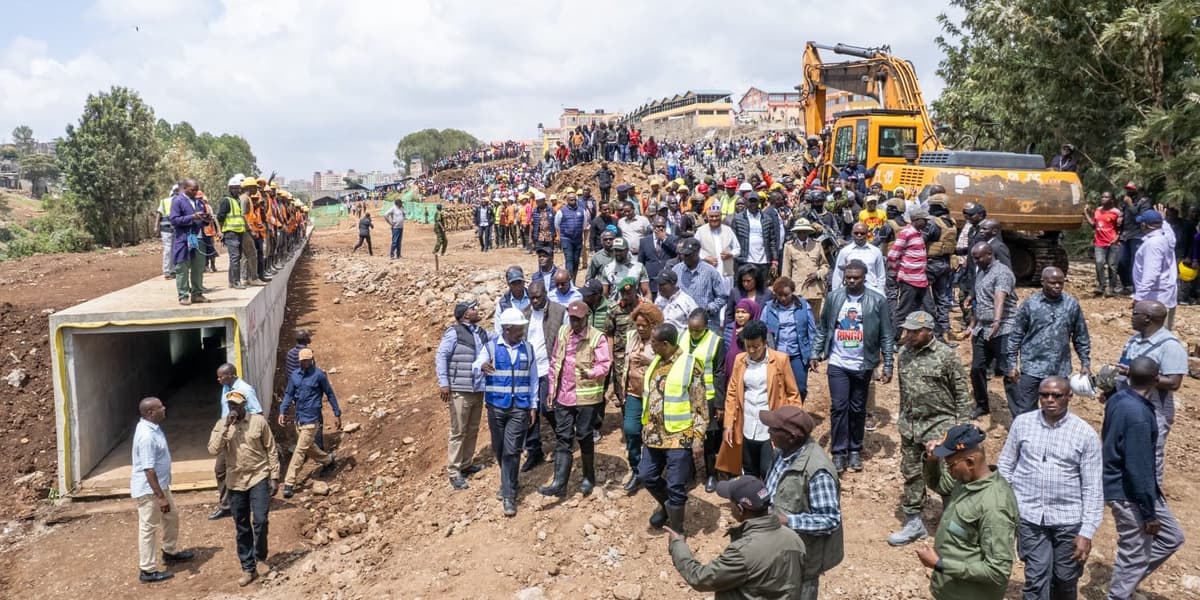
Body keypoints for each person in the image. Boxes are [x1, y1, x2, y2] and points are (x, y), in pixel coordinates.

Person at [998, 376, 1102, 600]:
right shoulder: (1023, 423)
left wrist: (1087, 532)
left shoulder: (1085, 434)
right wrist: (1005, 502)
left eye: (1056, 395)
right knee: (1036, 578)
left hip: (1068, 519)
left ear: (1069, 397)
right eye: (1044, 395)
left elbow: (1093, 487)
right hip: (1029, 515)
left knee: (1065, 579)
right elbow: (1006, 464)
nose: (1049, 400)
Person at [1102, 356, 1186, 599]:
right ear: (1155, 379)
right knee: (1135, 552)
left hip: (1131, 489)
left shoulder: (1120, 398)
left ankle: (1124, 583)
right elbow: (1137, 467)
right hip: (1130, 493)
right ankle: (1119, 594)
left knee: (1171, 537)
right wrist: (1149, 514)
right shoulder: (1138, 415)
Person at [888, 311, 973, 547]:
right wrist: (903, 420)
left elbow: (961, 393)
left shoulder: (946, 356)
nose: (910, 335)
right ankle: (914, 523)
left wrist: (962, 428)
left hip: (940, 427)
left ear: (929, 331)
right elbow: (905, 392)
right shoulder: (903, 354)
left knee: (948, 477)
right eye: (908, 330)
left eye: (916, 331)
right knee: (912, 474)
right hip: (911, 426)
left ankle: (952, 527)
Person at [917, 424, 1019, 600]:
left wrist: (940, 564)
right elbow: (939, 485)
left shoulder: (995, 505)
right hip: (950, 590)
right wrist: (933, 461)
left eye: (950, 465)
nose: (949, 470)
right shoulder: (966, 481)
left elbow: (997, 571)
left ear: (970, 462)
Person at [810, 260, 894, 472]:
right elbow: (823, 327)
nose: (851, 281)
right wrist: (815, 352)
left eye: (856, 277)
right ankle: (839, 452)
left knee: (858, 408)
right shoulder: (834, 297)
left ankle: (854, 449)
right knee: (839, 408)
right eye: (848, 277)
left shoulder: (877, 300)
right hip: (838, 361)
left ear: (865, 277)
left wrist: (888, 365)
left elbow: (886, 333)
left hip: (863, 363)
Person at [667, 476, 806, 599]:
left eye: (730, 501)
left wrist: (678, 545)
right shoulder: (794, 538)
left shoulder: (743, 552)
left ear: (739, 509)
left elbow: (700, 578)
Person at [760, 407, 844, 599]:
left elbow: (830, 520)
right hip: (777, 552)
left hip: (801, 560)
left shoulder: (817, 470)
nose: (768, 432)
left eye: (773, 429)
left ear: (791, 436)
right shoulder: (780, 454)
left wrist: (786, 520)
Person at [638, 323, 707, 532]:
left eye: (654, 343)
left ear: (666, 344)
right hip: (654, 434)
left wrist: (698, 437)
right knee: (646, 475)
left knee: (676, 484)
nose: (651, 347)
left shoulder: (690, 365)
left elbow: (700, 405)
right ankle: (668, 508)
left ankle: (677, 532)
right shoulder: (656, 363)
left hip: (680, 434)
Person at [539, 300, 611, 498]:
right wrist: (552, 391)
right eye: (572, 319)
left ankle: (589, 477)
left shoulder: (597, 338)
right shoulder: (564, 332)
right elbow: (555, 361)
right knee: (563, 437)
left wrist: (591, 372)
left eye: (579, 320)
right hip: (564, 395)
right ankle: (559, 483)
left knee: (584, 434)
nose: (575, 324)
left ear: (586, 318)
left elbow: (605, 365)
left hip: (587, 398)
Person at [207, 390, 279, 586]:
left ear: (244, 405)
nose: (233, 409)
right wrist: (226, 428)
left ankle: (260, 557)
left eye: (236, 405)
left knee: (261, 520)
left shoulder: (258, 422)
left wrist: (275, 477)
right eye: (230, 405)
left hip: (258, 476)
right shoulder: (222, 425)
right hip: (236, 481)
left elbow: (271, 449)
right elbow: (213, 449)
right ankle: (248, 568)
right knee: (242, 526)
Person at [717, 319, 803, 478]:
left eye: (755, 346)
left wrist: (792, 425)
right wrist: (728, 424)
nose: (751, 350)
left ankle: (769, 501)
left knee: (768, 470)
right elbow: (732, 393)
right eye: (747, 346)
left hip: (770, 427)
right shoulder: (740, 360)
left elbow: (793, 394)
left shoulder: (780, 360)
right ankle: (753, 501)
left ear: (765, 342)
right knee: (748, 469)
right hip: (746, 423)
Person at [474, 308, 539, 517]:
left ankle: (509, 495)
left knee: (512, 450)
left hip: (519, 407)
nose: (522, 331)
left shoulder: (528, 349)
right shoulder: (491, 347)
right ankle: (510, 480)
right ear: (507, 329)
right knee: (499, 448)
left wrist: (533, 405)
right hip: (496, 407)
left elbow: (533, 379)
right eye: (518, 328)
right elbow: (476, 365)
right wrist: (482, 366)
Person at [1116, 300, 1187, 485]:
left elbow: (1173, 382)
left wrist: (1135, 374)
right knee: (1124, 450)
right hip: (1127, 405)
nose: (1131, 317)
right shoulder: (1134, 340)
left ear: (1147, 318)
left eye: (1135, 313)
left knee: (1148, 454)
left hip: (1153, 410)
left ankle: (1151, 499)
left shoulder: (1169, 346)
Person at [1005, 267, 1092, 417]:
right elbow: (1015, 335)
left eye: (1061, 283)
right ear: (1042, 282)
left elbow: (1081, 336)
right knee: (1025, 411)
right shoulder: (1030, 305)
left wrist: (1085, 363)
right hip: (1032, 368)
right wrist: (1012, 364)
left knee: (1057, 411)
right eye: (1052, 283)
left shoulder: (1071, 305)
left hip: (1059, 369)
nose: (1057, 286)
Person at [131, 396, 194, 583]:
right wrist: (160, 497)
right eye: (160, 407)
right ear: (150, 412)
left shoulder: (152, 427)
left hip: (161, 486)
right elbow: (149, 470)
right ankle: (147, 570)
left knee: (171, 516)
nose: (164, 408)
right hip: (150, 490)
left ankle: (170, 551)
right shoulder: (146, 436)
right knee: (148, 528)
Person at [436, 300, 489, 490]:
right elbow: (441, 355)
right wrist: (444, 383)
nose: (477, 310)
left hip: (477, 387)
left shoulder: (481, 332)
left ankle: (466, 464)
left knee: (473, 428)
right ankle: (454, 471)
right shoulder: (454, 333)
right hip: (460, 388)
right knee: (458, 430)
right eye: (473, 309)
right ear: (466, 315)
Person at [278, 348, 340, 498]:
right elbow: (288, 394)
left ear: (312, 359)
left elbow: (329, 393)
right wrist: (282, 411)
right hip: (299, 419)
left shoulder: (318, 375)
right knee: (308, 446)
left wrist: (337, 414)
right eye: (303, 360)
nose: (305, 362)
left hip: (312, 419)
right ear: (299, 361)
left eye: (308, 360)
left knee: (300, 450)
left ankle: (289, 483)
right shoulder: (295, 376)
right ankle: (328, 460)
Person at [968, 242, 1018, 419]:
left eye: (978, 257)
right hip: (982, 329)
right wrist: (972, 324)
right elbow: (981, 301)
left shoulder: (1002, 272)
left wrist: (997, 321)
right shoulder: (982, 271)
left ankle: (1018, 413)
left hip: (1003, 328)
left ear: (989, 254)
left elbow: (999, 297)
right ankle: (982, 405)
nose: (975, 261)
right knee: (977, 368)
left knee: (1008, 371)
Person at [519, 281, 564, 473]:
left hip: (549, 368)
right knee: (529, 409)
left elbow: (565, 339)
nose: (535, 301)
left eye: (538, 296)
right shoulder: (525, 313)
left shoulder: (559, 311)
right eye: (531, 297)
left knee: (548, 407)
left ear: (545, 293)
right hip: (529, 370)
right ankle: (534, 450)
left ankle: (563, 439)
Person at [680, 308, 727, 493]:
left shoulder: (715, 342)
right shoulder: (682, 337)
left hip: (707, 396)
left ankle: (711, 474)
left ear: (706, 327)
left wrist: (718, 403)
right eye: (691, 329)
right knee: (687, 434)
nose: (693, 333)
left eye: (697, 330)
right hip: (685, 395)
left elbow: (719, 373)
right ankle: (689, 473)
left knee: (708, 437)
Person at [209, 364, 263, 521]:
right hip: (227, 434)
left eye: (221, 376)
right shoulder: (227, 387)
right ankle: (226, 506)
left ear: (231, 375)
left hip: (241, 436)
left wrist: (252, 436)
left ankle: (249, 502)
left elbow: (258, 413)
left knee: (245, 467)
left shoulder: (245, 390)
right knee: (221, 469)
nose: (218, 379)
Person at [619, 302, 664, 493]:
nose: (640, 328)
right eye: (638, 324)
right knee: (630, 430)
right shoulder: (631, 337)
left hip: (653, 396)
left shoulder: (660, 341)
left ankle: (655, 470)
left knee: (654, 434)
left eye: (644, 325)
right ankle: (636, 470)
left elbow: (668, 365)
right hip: (633, 394)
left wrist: (649, 360)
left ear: (653, 325)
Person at [761, 276, 815, 403]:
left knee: (800, 387)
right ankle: (783, 416)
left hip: (797, 354)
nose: (783, 298)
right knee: (778, 387)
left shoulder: (804, 306)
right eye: (779, 295)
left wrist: (813, 355)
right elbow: (762, 329)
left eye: (786, 295)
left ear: (792, 292)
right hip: (776, 354)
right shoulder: (768, 308)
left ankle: (796, 412)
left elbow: (812, 331)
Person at [1132, 210, 1179, 329]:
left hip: (1155, 298)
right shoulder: (1166, 238)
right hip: (1165, 295)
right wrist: (1164, 221)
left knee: (1154, 337)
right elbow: (1171, 235)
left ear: (1144, 225)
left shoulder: (1153, 244)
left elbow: (1151, 274)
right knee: (1163, 334)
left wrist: (1139, 297)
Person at [673, 237, 727, 332]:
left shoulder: (710, 272)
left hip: (706, 323)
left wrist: (710, 308)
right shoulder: (676, 270)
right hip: (682, 324)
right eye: (684, 254)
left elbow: (722, 297)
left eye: (689, 255)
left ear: (697, 253)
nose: (685, 257)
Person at [169, 179, 209, 305]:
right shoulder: (178, 201)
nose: (195, 192)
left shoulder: (200, 202)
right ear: (185, 188)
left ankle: (197, 294)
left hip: (198, 238)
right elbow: (174, 220)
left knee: (198, 267)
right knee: (182, 267)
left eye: (197, 190)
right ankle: (183, 295)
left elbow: (203, 219)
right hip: (183, 239)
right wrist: (192, 217)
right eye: (192, 190)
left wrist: (206, 219)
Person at [780, 219, 829, 318]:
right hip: (798, 290)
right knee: (799, 318)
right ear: (796, 232)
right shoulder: (789, 246)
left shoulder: (817, 244)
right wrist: (786, 290)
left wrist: (818, 274)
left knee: (815, 320)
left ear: (808, 232)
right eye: (799, 232)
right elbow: (786, 271)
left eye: (804, 231)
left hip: (816, 290)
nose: (802, 234)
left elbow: (825, 266)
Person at [732, 192, 779, 283]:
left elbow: (772, 241)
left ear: (758, 203)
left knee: (761, 289)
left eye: (755, 201)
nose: (752, 204)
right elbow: (733, 241)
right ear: (746, 202)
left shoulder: (767, 219)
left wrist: (774, 261)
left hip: (763, 261)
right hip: (745, 260)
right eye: (750, 201)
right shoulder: (738, 219)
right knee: (745, 288)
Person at [1084, 192, 1123, 296]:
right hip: (1099, 243)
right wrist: (1085, 214)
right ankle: (1101, 286)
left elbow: (1121, 228)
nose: (1103, 198)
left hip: (1112, 243)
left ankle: (1111, 287)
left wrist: (1117, 238)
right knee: (1099, 263)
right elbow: (1094, 225)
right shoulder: (1098, 211)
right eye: (1102, 196)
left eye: (1106, 197)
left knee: (1112, 266)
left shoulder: (1117, 213)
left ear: (1112, 200)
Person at [696, 205, 740, 294]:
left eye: (717, 216)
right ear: (707, 217)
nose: (714, 218)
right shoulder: (700, 231)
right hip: (708, 272)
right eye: (711, 216)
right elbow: (695, 250)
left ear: (721, 216)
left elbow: (738, 249)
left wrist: (730, 254)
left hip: (726, 274)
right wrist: (705, 258)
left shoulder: (728, 230)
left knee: (726, 297)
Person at [831, 223, 886, 294]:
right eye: (856, 233)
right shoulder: (845, 252)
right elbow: (838, 275)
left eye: (862, 233)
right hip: (850, 291)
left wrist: (880, 292)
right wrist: (835, 293)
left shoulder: (876, 252)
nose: (859, 235)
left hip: (871, 291)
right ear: (852, 233)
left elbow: (881, 275)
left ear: (867, 234)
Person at [216, 177, 247, 289]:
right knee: (235, 257)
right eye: (234, 188)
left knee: (236, 258)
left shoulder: (237, 200)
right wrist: (220, 231)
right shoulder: (226, 201)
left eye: (238, 188)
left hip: (239, 233)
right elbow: (220, 217)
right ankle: (236, 281)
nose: (236, 190)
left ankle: (231, 281)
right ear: (230, 189)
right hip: (230, 233)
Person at [639, 216, 678, 297]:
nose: (660, 228)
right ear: (653, 226)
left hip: (667, 282)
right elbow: (640, 262)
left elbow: (677, 251)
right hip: (651, 282)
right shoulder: (644, 241)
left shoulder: (672, 239)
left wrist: (664, 239)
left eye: (662, 226)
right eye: (658, 226)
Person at [556, 189, 589, 281]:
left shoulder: (582, 211)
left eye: (575, 199)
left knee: (576, 261)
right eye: (571, 200)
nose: (573, 201)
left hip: (578, 239)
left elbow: (584, 225)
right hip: (566, 239)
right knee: (569, 261)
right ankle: (569, 283)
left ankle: (573, 280)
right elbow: (557, 225)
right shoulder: (561, 211)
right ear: (567, 200)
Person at [156, 186, 177, 279]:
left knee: (171, 250)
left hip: (173, 229)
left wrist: (156, 226)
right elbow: (159, 213)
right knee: (169, 250)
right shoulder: (165, 201)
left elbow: (158, 214)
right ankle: (167, 271)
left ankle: (171, 271)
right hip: (166, 229)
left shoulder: (178, 201)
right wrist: (156, 226)